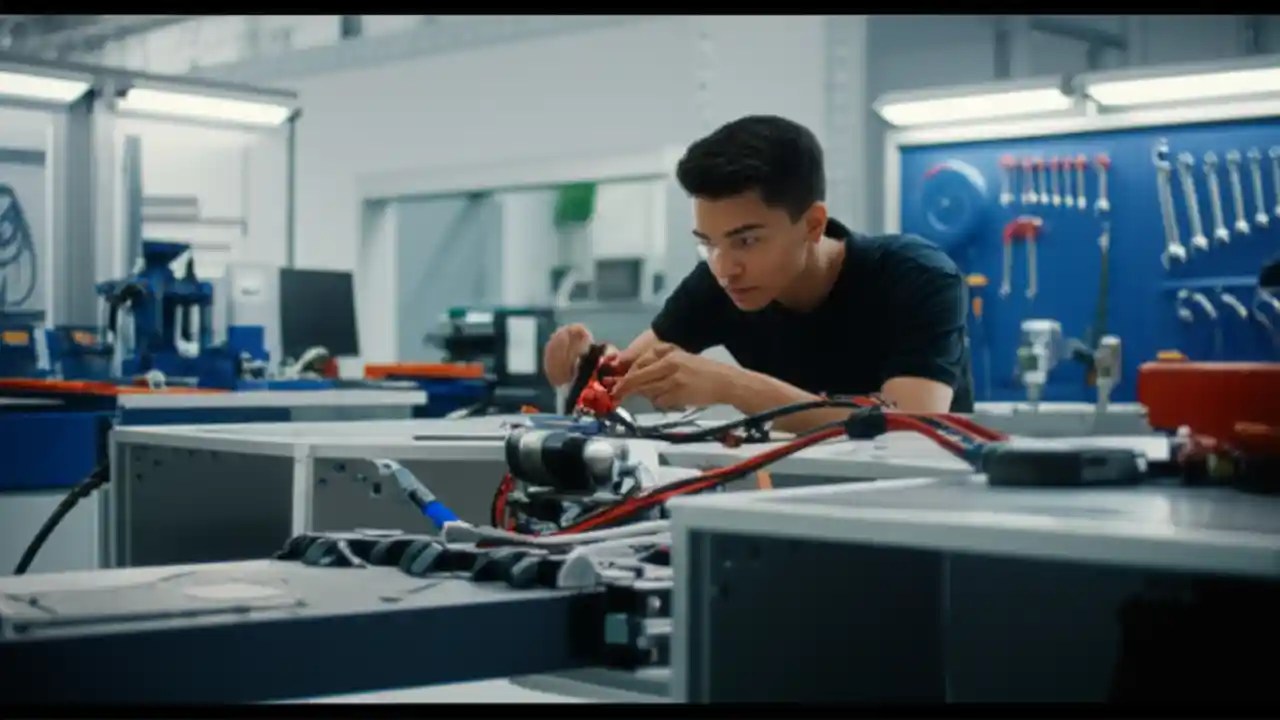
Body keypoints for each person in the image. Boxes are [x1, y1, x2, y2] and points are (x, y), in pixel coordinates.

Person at [543, 114, 973, 433]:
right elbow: (631, 369)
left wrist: (735, 387)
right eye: (708, 243)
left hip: (927, 503)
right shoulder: (715, 285)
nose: (724, 268)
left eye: (746, 241)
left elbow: (910, 429)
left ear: (812, 225)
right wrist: (588, 365)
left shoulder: (917, 277)